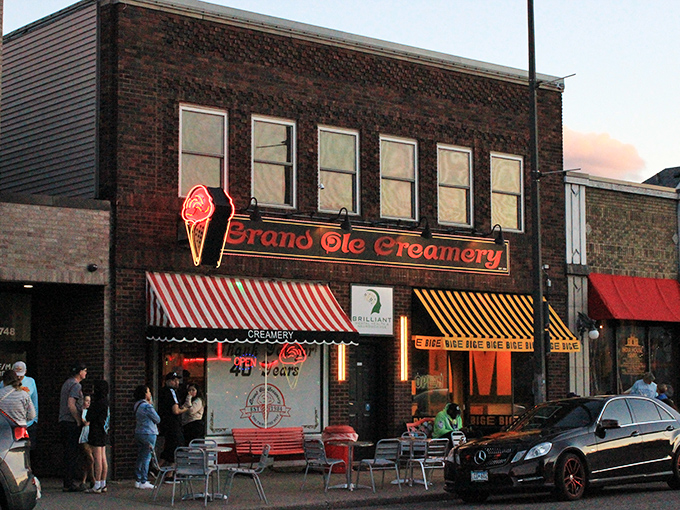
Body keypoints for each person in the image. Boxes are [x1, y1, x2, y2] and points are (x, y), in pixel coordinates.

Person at [59, 362, 88, 492]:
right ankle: (69, 483)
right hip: (70, 422)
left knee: (67, 452)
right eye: (85, 370)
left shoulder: (67, 383)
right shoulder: (76, 385)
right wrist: (78, 420)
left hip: (63, 421)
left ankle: (67, 481)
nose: (86, 373)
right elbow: (71, 404)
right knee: (71, 452)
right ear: (80, 371)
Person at [158, 372, 189, 470]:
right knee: (177, 447)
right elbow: (176, 410)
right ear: (168, 382)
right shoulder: (171, 392)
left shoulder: (162, 392)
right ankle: (170, 473)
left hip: (165, 424)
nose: (177, 382)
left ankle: (157, 467)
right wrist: (186, 408)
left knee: (169, 447)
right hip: (174, 424)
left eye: (177, 380)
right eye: (174, 380)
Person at [85, 379, 110, 494]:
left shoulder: (97, 403)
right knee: (103, 457)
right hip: (103, 430)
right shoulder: (106, 402)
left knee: (97, 459)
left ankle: (97, 484)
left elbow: (89, 416)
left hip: (96, 431)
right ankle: (103, 483)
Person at [133, 385, 160, 490]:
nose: (150, 394)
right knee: (147, 457)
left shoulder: (137, 405)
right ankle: (144, 480)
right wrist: (151, 403)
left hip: (139, 432)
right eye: (148, 392)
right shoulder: (147, 406)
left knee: (140, 455)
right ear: (144, 394)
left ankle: (138, 479)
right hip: (149, 432)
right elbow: (157, 419)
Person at [79, 394, 95, 489]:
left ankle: (83, 480)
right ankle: (92, 479)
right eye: (86, 401)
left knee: (87, 461)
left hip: (90, 437)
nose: (88, 403)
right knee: (90, 458)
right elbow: (84, 421)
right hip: (83, 437)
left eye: (90, 401)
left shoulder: (90, 412)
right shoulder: (81, 412)